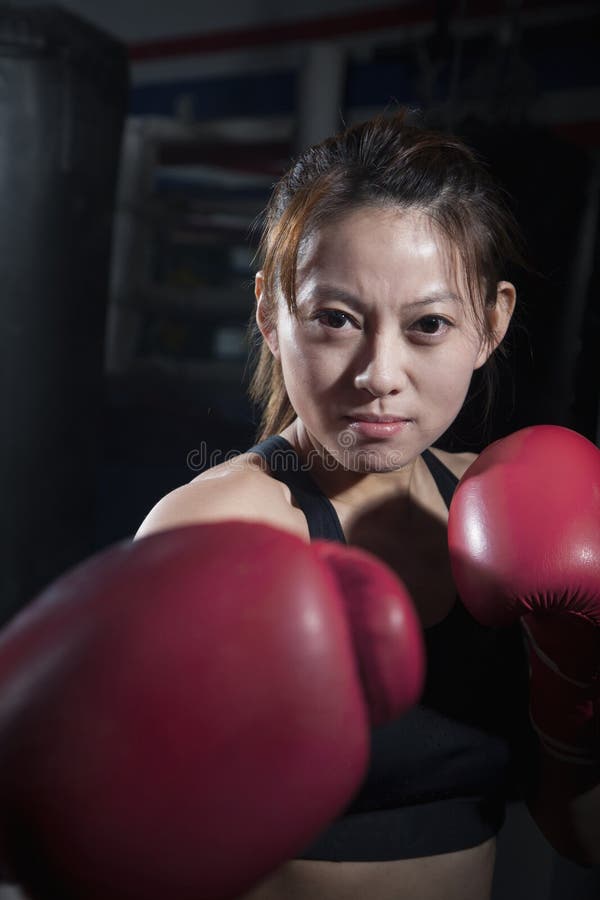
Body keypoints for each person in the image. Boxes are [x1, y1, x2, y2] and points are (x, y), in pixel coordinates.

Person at [133, 110, 600, 899]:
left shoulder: (514, 513)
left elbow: (582, 838)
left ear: (492, 323)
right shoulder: (214, 531)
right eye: (336, 319)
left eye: (427, 325)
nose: (380, 373)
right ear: (269, 315)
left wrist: (577, 681)